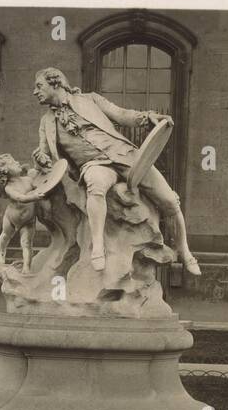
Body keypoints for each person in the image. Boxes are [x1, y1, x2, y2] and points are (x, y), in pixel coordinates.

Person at [30, 67, 200, 274]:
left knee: (170, 201)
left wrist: (147, 117)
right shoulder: (45, 122)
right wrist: (41, 158)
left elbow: (121, 115)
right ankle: (98, 247)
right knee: (96, 186)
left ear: (55, 83)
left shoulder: (90, 99)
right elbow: (44, 154)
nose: (35, 92)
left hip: (126, 155)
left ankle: (184, 249)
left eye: (39, 86)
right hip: (94, 165)